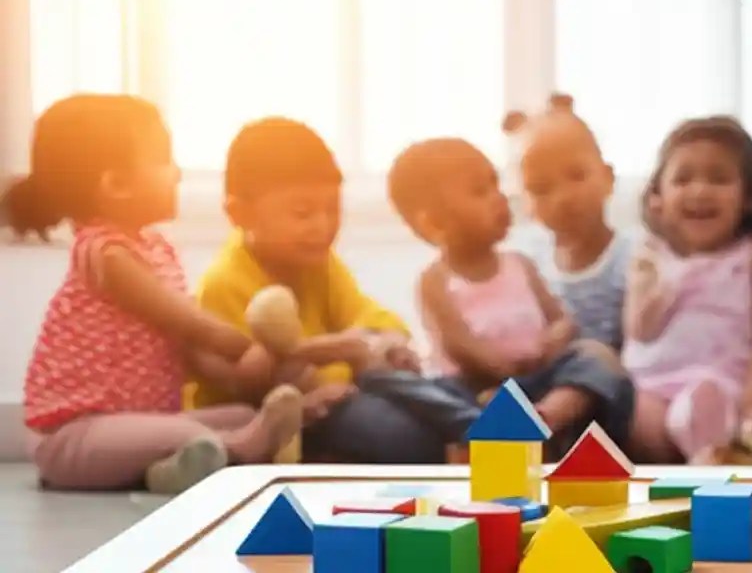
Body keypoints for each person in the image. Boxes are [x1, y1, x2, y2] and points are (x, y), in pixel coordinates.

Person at [10, 94, 302, 493]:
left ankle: (173, 471)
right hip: (73, 437)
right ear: (116, 184)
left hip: (137, 429)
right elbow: (187, 322)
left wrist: (238, 376)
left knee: (238, 413)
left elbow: (183, 345)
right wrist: (238, 347)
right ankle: (239, 450)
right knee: (191, 435)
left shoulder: (158, 251)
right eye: (164, 160)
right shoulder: (104, 253)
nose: (178, 173)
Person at [193, 117, 448, 463]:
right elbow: (250, 380)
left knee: (443, 398)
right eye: (303, 213)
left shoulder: (320, 263)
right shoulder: (226, 282)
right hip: (271, 418)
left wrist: (389, 338)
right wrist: (330, 375)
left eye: (333, 210)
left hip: (339, 394)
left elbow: (362, 312)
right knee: (405, 439)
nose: (322, 226)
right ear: (240, 214)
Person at [384, 137, 634, 457]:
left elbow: (560, 319)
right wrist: (498, 365)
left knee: (596, 355)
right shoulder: (435, 280)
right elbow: (457, 343)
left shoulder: (520, 264)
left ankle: (546, 417)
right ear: (435, 223)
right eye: (480, 192)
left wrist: (552, 341)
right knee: (443, 398)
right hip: (478, 386)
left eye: (496, 185)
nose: (499, 199)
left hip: (537, 379)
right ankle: (492, 432)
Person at [623, 116, 752, 464]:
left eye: (719, 178)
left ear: (748, 196)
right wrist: (659, 282)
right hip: (652, 388)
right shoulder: (651, 253)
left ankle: (714, 456)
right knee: (626, 412)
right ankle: (695, 459)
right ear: (658, 197)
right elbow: (639, 329)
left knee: (702, 404)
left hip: (723, 389)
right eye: (683, 179)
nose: (700, 191)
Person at [506, 93, 631, 355]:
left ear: (608, 178)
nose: (562, 198)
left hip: (607, 382)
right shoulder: (528, 261)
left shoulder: (631, 259)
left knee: (596, 363)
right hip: (546, 377)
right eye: (541, 189)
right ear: (526, 205)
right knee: (493, 392)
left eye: (576, 176)